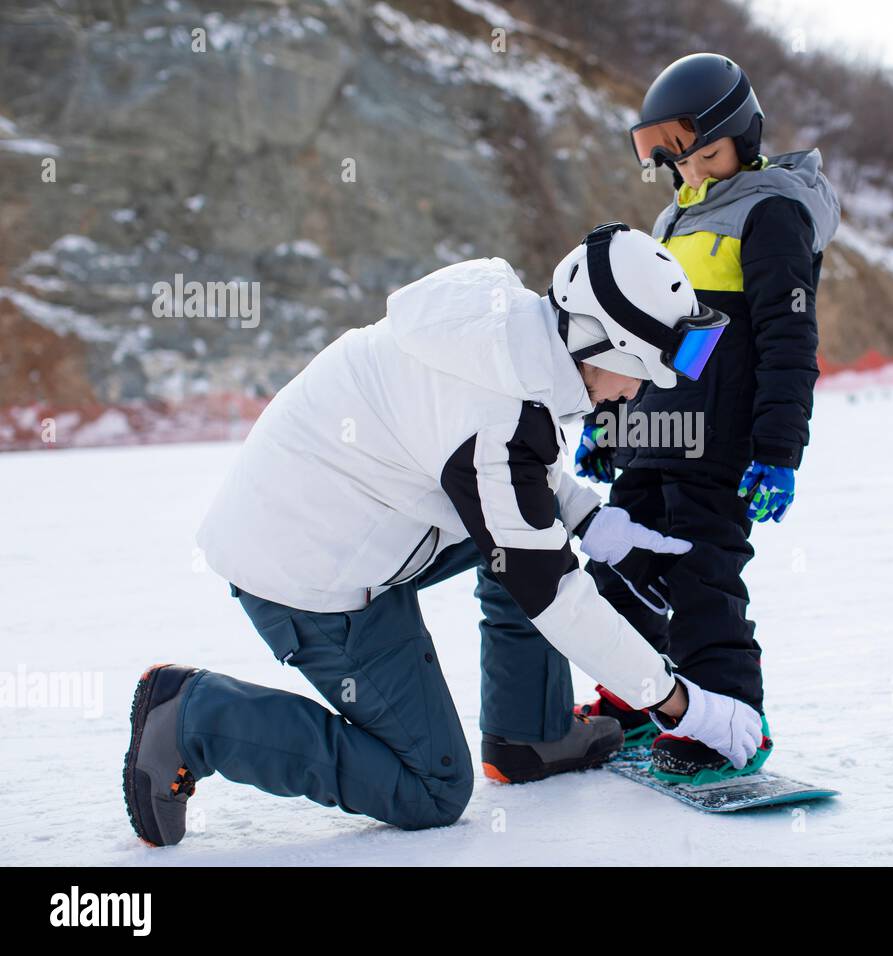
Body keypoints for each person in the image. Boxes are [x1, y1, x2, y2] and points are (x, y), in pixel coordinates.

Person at [121, 224, 762, 847]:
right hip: (308, 573)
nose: (639, 392)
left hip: (352, 513)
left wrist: (596, 522)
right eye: (641, 373)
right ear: (602, 344)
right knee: (431, 789)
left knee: (525, 546)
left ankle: (529, 736)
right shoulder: (493, 419)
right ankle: (194, 718)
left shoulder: (506, 324)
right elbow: (551, 588)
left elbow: (518, 477)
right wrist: (682, 706)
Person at [487, 53, 841, 785]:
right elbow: (645, 346)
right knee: (622, 568)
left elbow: (788, 340)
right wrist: (608, 434)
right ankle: (630, 698)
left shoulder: (771, 213)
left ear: (745, 138)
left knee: (701, 576)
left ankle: (733, 719)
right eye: (681, 163)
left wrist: (778, 450)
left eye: (708, 155)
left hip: (719, 444)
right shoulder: (674, 216)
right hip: (652, 437)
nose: (694, 175)